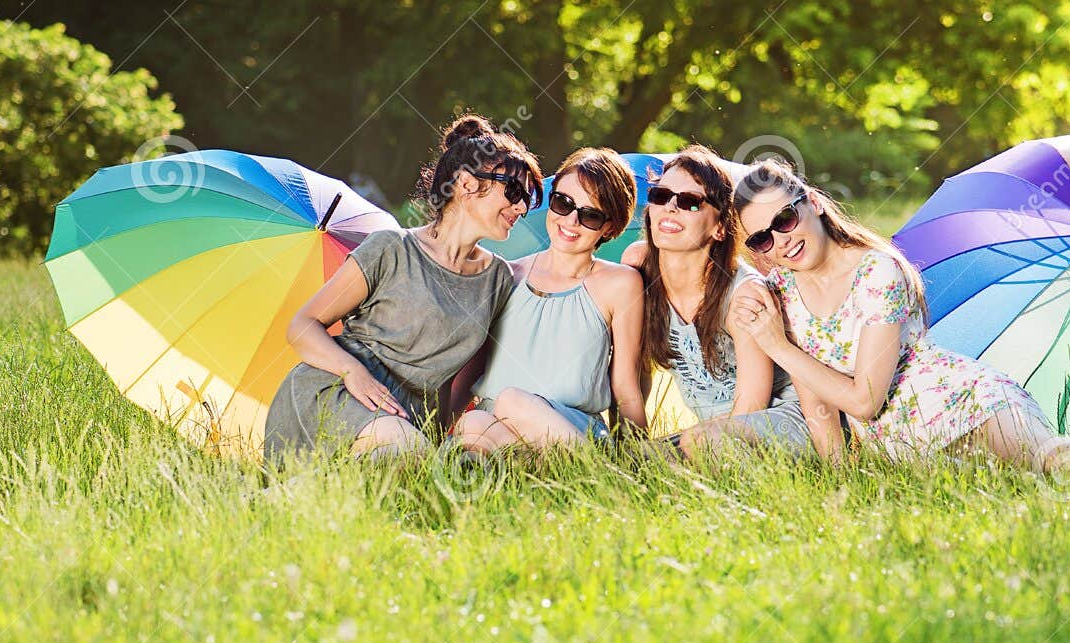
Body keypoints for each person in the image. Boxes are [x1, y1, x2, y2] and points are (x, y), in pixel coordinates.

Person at [730, 159, 1070, 474]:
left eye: (785, 219)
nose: (781, 240)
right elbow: (818, 407)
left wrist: (777, 346)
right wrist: (842, 489)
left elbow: (863, 399)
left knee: (1051, 461)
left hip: (968, 406)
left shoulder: (877, 273)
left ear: (812, 203)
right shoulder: (781, 294)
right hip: (911, 452)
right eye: (761, 238)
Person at [262, 114, 541, 461]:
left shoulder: (498, 278)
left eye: (527, 198)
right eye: (513, 191)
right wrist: (354, 373)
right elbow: (302, 325)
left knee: (413, 474)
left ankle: (283, 497)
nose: (520, 206)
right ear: (468, 185)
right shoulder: (390, 248)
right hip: (338, 390)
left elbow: (463, 378)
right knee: (408, 455)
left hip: (404, 418)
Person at [620, 146, 812, 459]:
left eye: (689, 202)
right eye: (660, 195)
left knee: (696, 446)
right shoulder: (638, 267)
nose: (670, 207)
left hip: (782, 421)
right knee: (632, 463)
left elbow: (752, 405)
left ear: (720, 227)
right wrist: (632, 442)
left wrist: (691, 448)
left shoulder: (744, 293)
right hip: (709, 433)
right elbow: (635, 368)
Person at [451, 148, 647, 451]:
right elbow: (471, 368)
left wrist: (636, 455)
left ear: (609, 226)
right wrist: (434, 430)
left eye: (591, 215)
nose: (571, 221)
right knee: (472, 423)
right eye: (562, 203)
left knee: (511, 399)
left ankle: (601, 469)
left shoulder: (620, 284)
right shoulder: (507, 275)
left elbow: (625, 386)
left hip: (570, 429)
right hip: (495, 426)